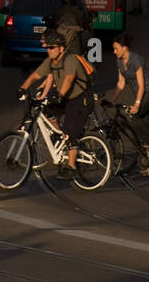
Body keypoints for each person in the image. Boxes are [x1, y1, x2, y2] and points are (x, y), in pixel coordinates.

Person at [18, 31, 93, 181]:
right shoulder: (51, 61)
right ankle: (61, 138)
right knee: (45, 111)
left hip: (80, 98)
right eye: (47, 47)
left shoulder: (70, 59)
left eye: (52, 47)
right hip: (65, 97)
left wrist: (59, 95)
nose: (49, 50)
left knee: (71, 131)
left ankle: (71, 167)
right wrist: (23, 88)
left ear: (61, 48)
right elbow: (35, 75)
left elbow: (69, 79)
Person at [112, 31, 149, 175]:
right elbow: (121, 83)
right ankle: (147, 163)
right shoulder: (120, 61)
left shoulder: (136, 59)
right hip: (140, 95)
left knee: (133, 117)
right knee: (139, 126)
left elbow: (141, 85)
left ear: (124, 47)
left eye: (116, 49)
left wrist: (137, 104)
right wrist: (112, 101)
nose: (114, 52)